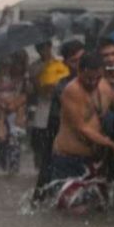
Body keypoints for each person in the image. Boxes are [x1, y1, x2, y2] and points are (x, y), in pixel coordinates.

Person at [49, 52, 114, 182]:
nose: (93, 82)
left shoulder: (104, 86)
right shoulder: (73, 90)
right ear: (79, 71)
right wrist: (111, 144)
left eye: (97, 78)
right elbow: (82, 127)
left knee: (98, 201)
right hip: (68, 160)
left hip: (94, 161)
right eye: (88, 78)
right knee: (66, 202)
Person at [34, 39, 82, 190]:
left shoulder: (95, 81)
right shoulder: (63, 86)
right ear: (66, 63)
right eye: (74, 61)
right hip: (61, 140)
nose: (80, 65)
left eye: (82, 59)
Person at [27, 41, 67, 170]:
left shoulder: (61, 62)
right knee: (40, 146)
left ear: (50, 47)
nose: (43, 51)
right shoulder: (35, 67)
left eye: (45, 48)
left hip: (60, 110)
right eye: (40, 49)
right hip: (42, 111)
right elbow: (38, 89)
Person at [0, 55, 28, 175]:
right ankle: (0, 166)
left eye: (8, 66)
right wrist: (2, 104)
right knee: (0, 139)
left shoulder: (22, 80)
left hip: (15, 112)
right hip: (0, 112)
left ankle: (13, 167)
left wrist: (14, 105)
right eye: (3, 66)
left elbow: (24, 96)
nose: (6, 68)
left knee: (14, 139)